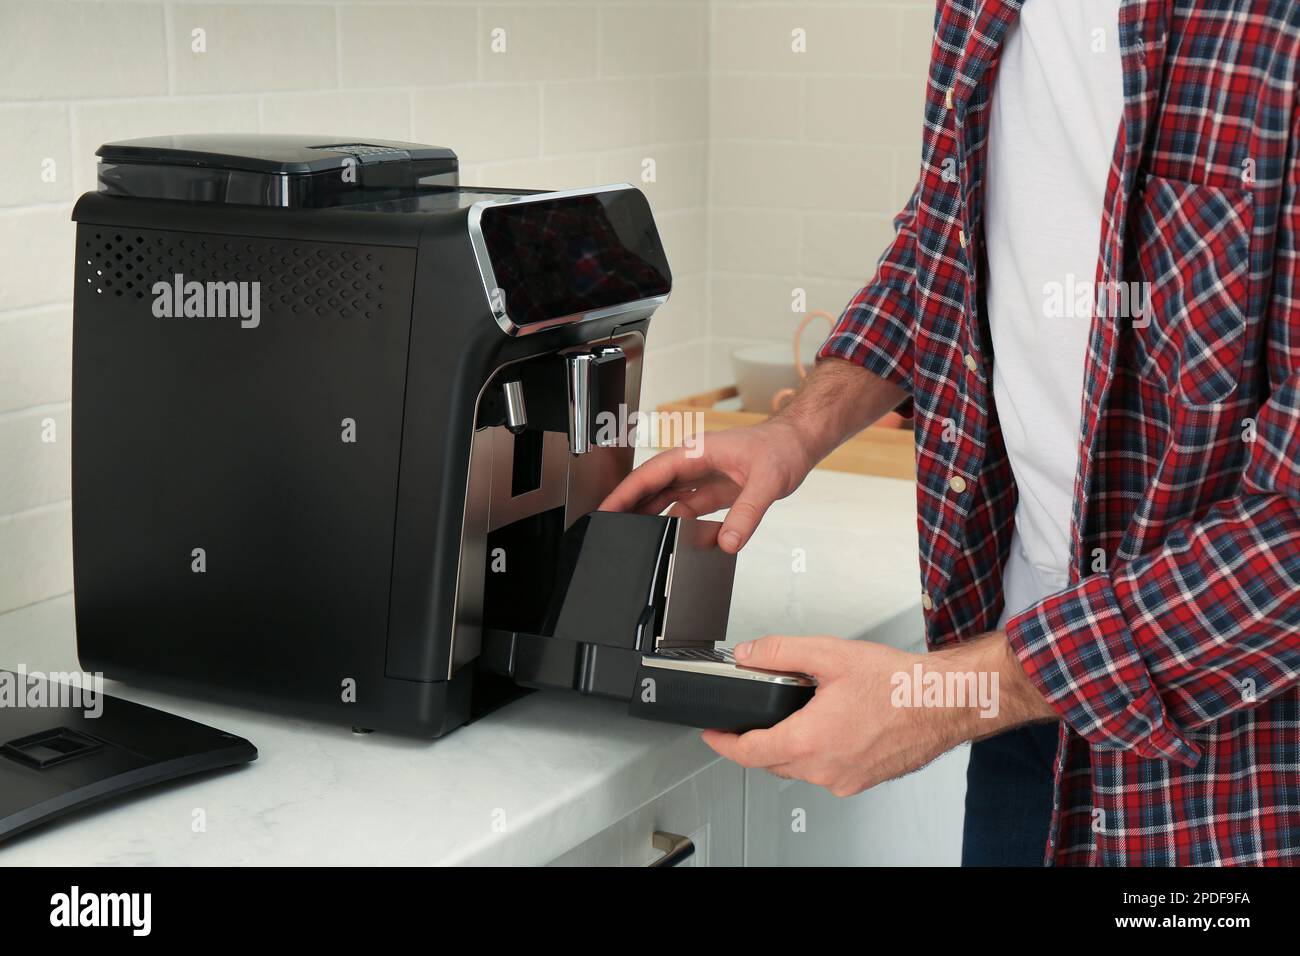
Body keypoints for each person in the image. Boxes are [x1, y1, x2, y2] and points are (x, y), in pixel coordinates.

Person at [601, 0, 1300, 867]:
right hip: (1025, 722)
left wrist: (953, 696)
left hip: (1236, 765)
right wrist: (796, 432)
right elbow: (945, 243)